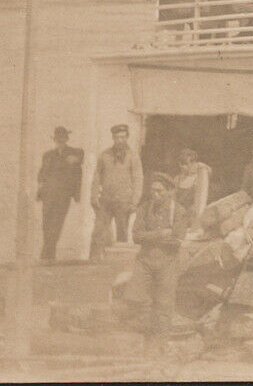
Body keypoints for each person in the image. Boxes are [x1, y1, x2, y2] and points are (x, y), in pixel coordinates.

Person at [128, 172, 188, 346]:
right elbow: (136, 236)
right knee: (135, 297)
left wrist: (149, 236)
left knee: (164, 303)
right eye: (153, 191)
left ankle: (160, 344)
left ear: (169, 192)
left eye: (160, 191)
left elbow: (176, 240)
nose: (156, 194)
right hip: (145, 260)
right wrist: (160, 234)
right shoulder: (144, 208)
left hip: (167, 261)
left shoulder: (178, 211)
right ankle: (144, 337)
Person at [90, 124, 143, 261]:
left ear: (127, 137)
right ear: (113, 138)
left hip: (124, 202)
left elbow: (138, 179)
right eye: (117, 137)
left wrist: (134, 202)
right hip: (105, 201)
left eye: (123, 137)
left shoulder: (133, 156)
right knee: (99, 232)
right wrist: (94, 195)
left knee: (122, 234)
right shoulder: (104, 155)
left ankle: (119, 263)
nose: (120, 140)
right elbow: (97, 177)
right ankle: (94, 262)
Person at [36, 126, 83, 261]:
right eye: (58, 138)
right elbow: (42, 174)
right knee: (46, 225)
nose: (60, 140)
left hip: (63, 195)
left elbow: (80, 163)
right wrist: (40, 191)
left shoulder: (74, 152)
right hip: (48, 195)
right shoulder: (48, 155)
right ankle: (49, 254)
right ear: (55, 139)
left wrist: (76, 194)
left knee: (57, 224)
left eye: (63, 138)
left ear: (66, 139)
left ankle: (47, 254)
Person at [173, 148, 211, 227]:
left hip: (192, 215)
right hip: (179, 215)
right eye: (180, 163)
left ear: (193, 163)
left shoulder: (198, 178)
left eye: (185, 164)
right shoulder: (177, 178)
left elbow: (200, 200)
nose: (182, 166)